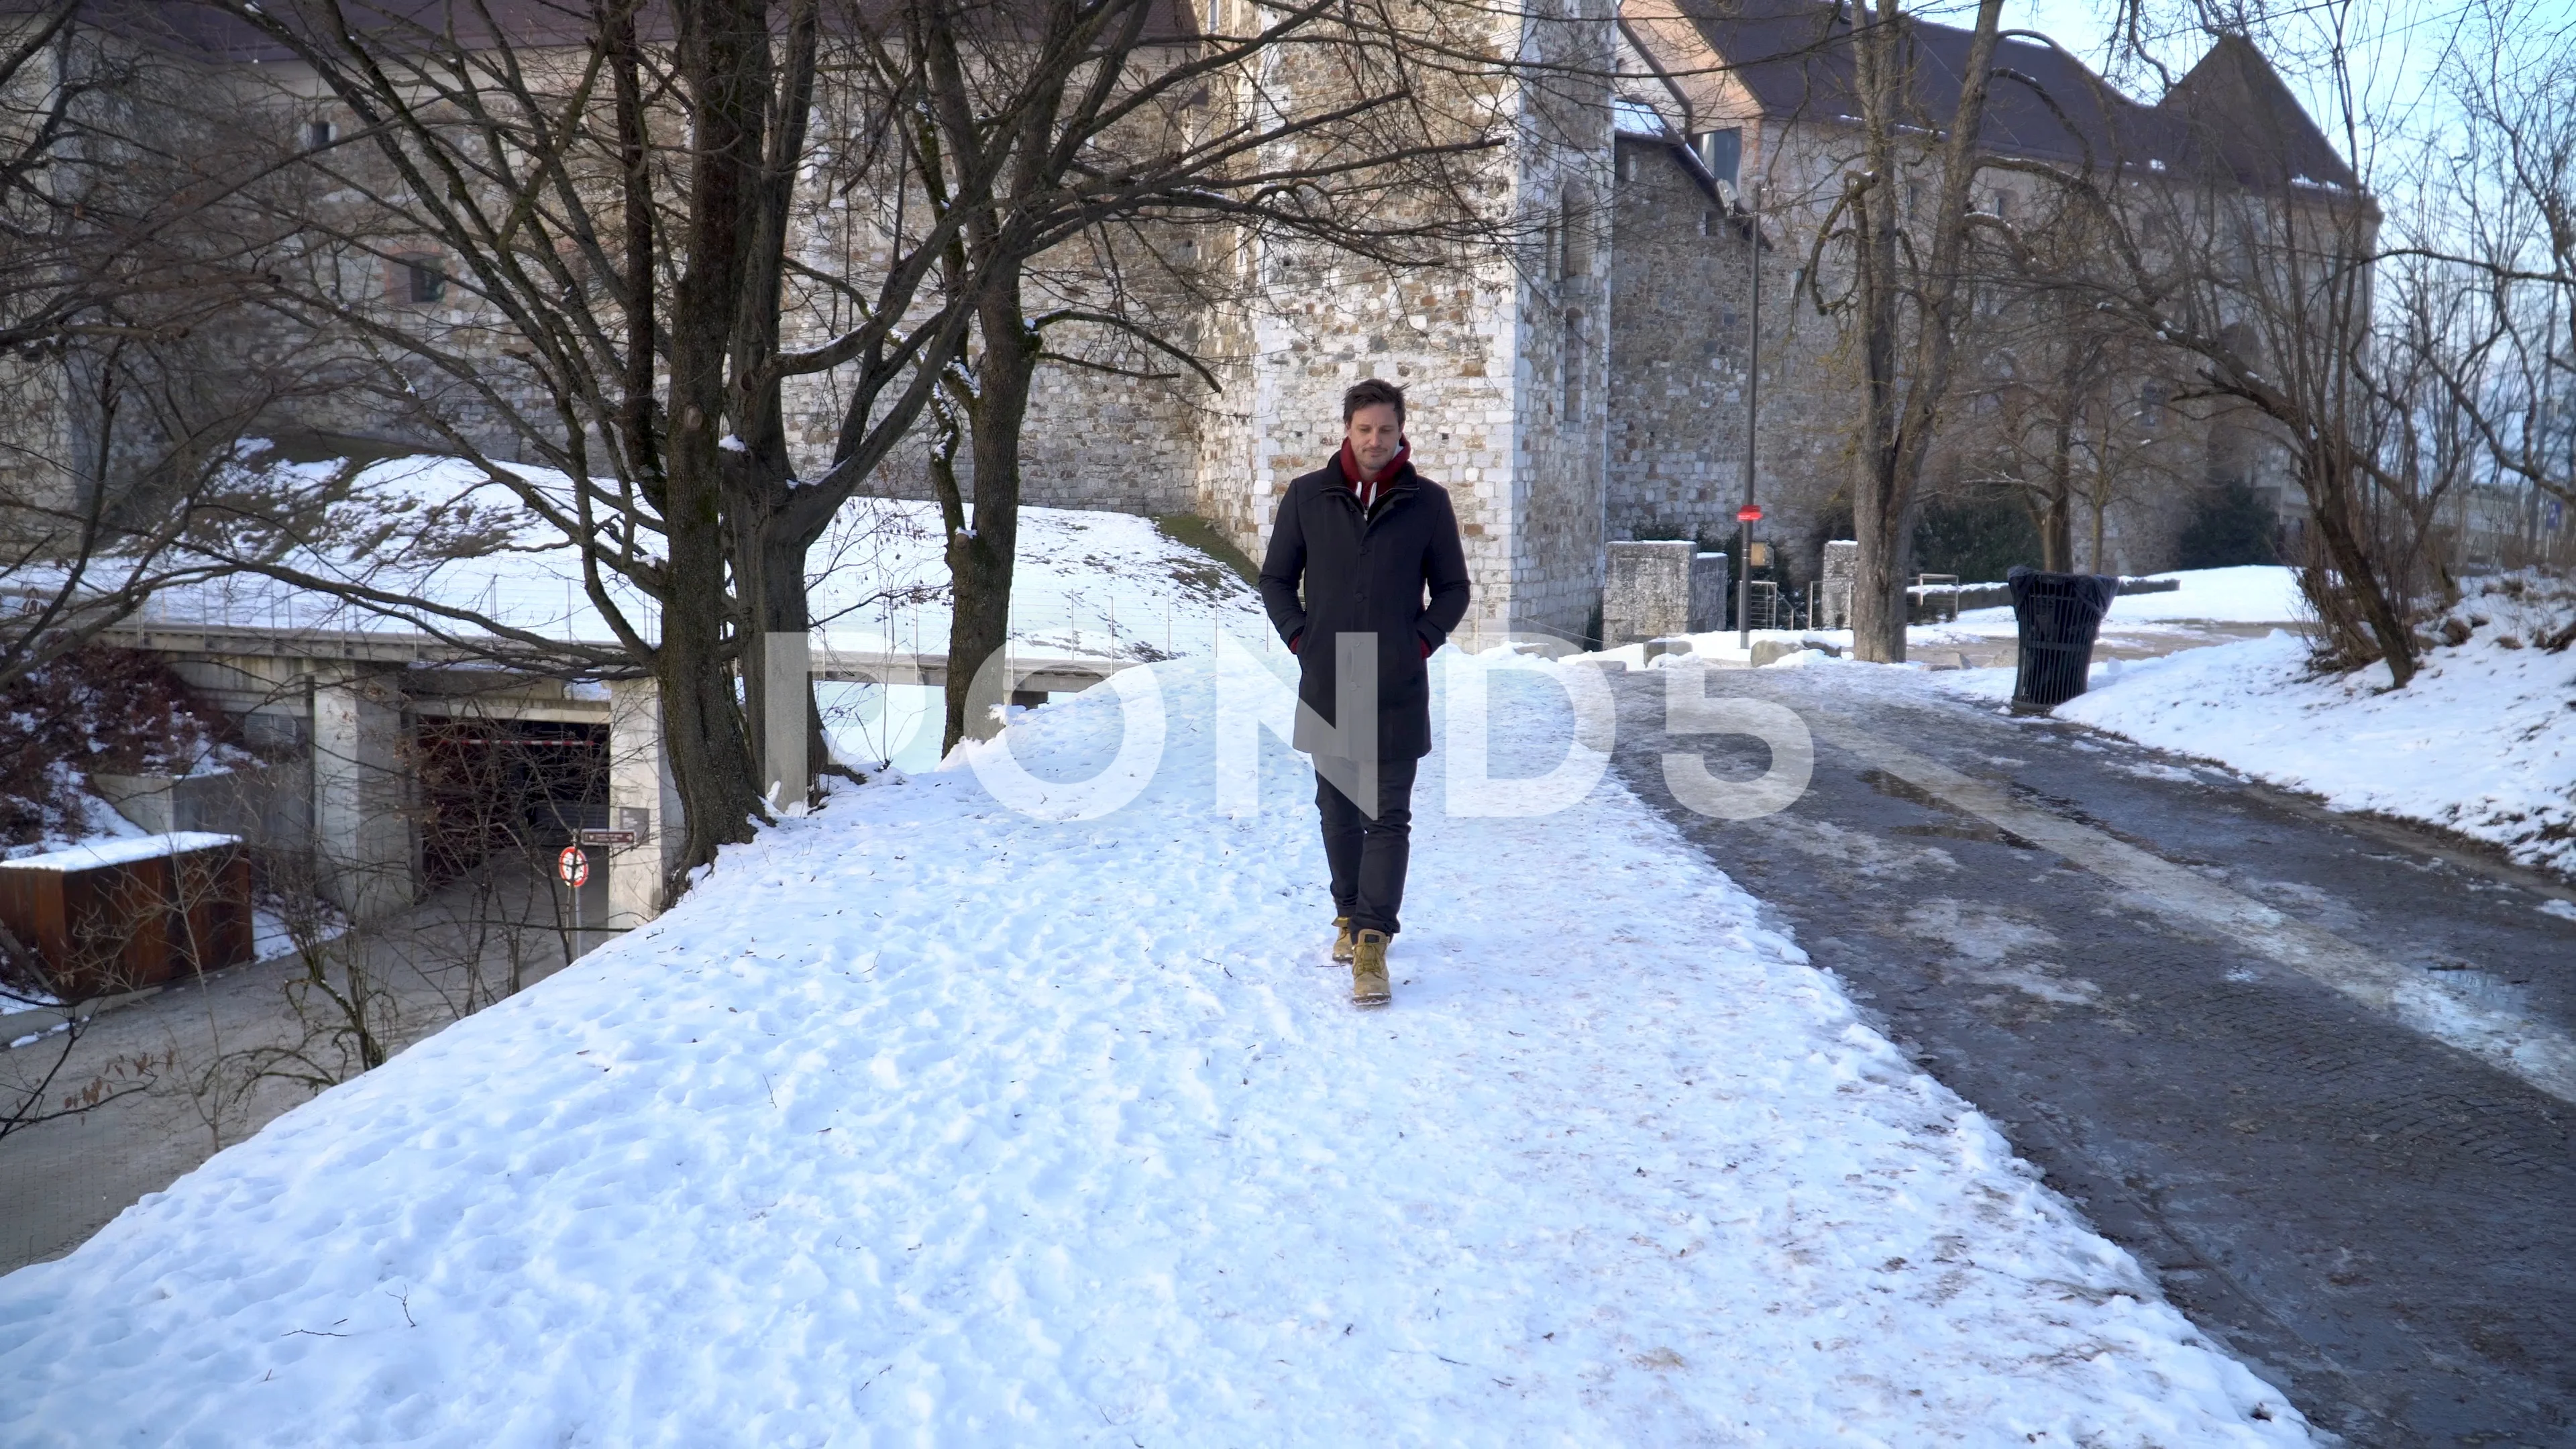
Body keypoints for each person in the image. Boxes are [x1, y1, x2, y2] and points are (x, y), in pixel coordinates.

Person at [1257, 378, 1471, 1006]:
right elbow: (1275, 580)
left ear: (1402, 431)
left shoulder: (1428, 503)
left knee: (1387, 815)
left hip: (1395, 676)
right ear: (1347, 431)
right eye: (1364, 429)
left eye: (1385, 429)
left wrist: (1419, 643)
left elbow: (1453, 589)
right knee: (1337, 810)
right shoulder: (1308, 496)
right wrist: (1302, 639)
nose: (1375, 440)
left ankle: (1373, 940)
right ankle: (1349, 914)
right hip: (1328, 673)